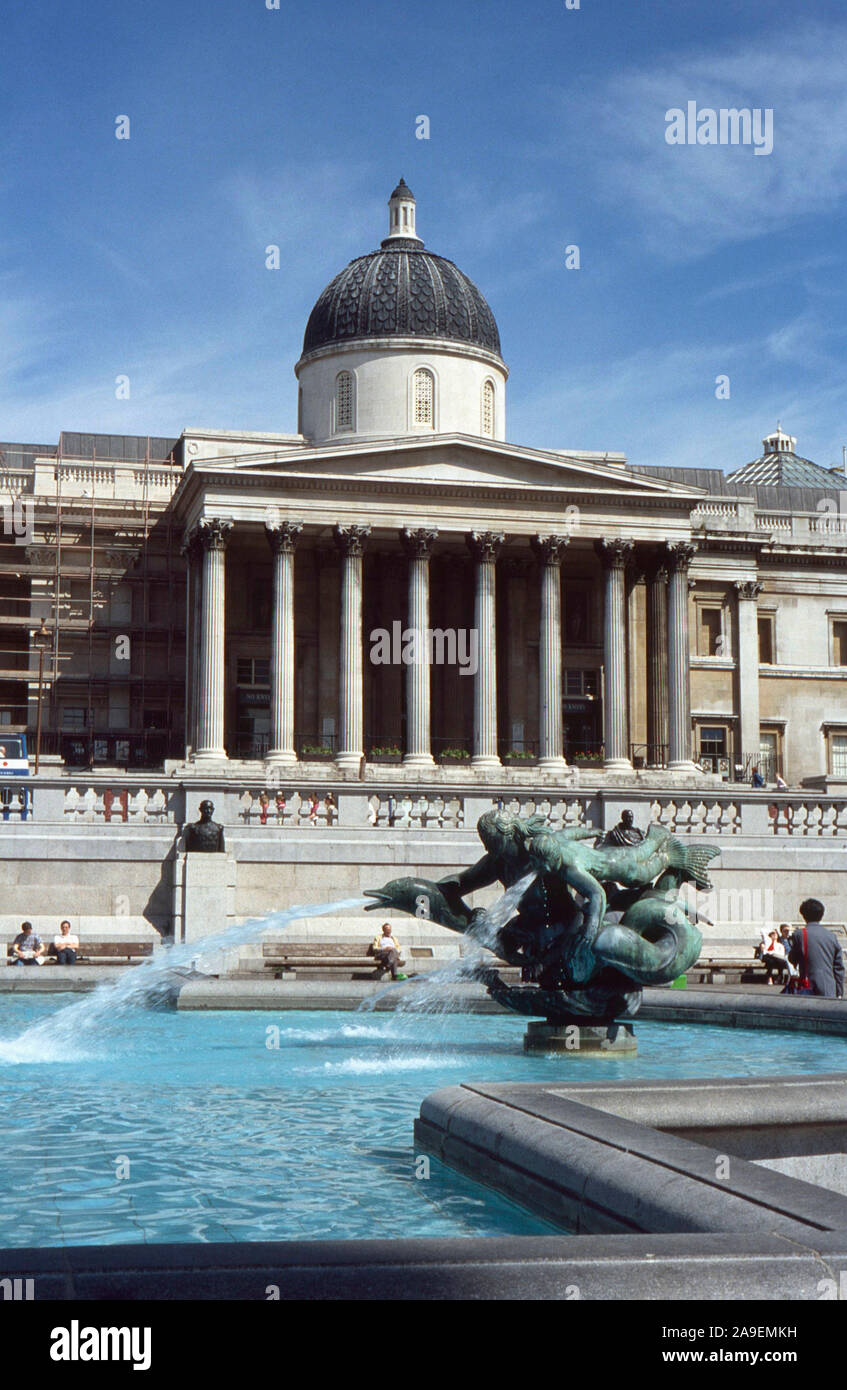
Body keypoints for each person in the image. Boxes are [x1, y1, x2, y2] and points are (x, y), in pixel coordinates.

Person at [788, 900, 845, 999]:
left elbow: (792, 959)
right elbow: (839, 967)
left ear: (803, 915)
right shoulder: (831, 936)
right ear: (821, 915)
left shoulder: (799, 934)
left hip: (807, 985)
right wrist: (839, 991)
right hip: (829, 987)